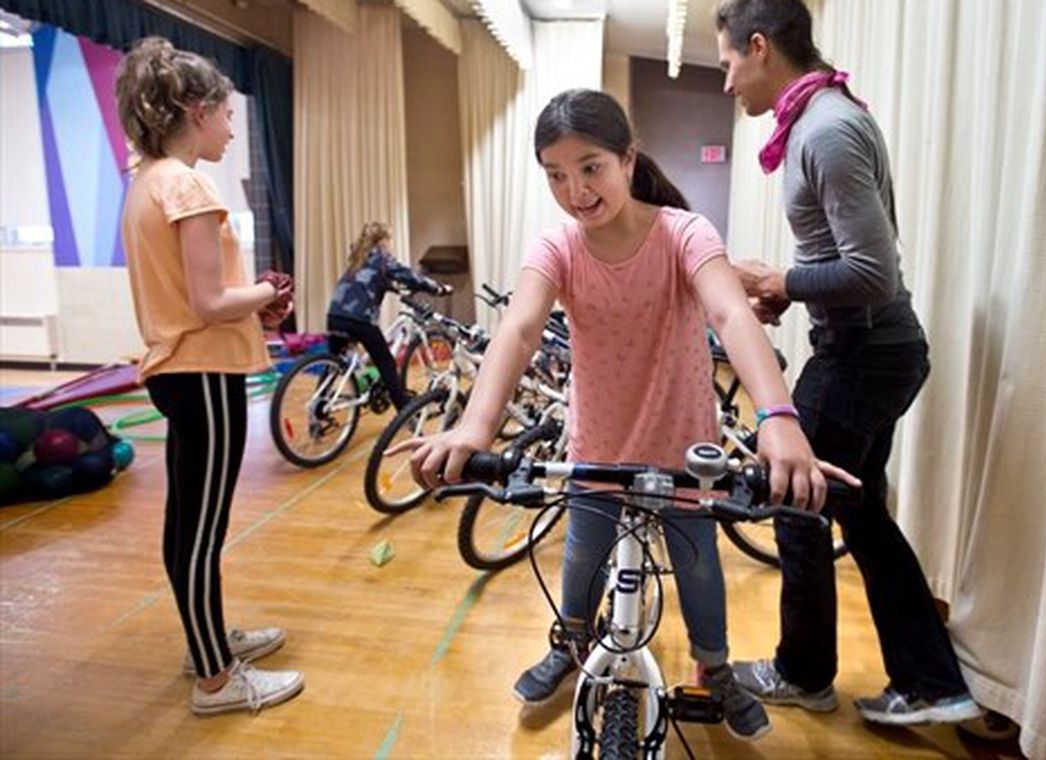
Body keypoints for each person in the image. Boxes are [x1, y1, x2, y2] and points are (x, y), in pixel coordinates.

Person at [403, 88, 857, 742]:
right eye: (555, 174)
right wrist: (475, 425)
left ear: (627, 158)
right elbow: (520, 330)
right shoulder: (557, 246)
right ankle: (569, 644)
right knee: (582, 557)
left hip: (683, 447)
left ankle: (716, 669)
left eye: (591, 167)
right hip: (598, 444)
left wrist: (778, 417)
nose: (575, 189)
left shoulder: (683, 233)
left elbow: (730, 313)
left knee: (699, 565)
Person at [714, 0, 983, 726]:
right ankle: (932, 682)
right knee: (858, 516)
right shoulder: (819, 119)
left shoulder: (826, 130)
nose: (728, 82)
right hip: (873, 349)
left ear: (761, 47)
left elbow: (873, 273)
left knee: (793, 498)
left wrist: (778, 282)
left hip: (864, 356)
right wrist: (792, 290)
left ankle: (804, 673)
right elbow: (849, 267)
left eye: (729, 63)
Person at [116, 37, 303, 715]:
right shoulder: (186, 183)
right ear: (197, 111)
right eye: (226, 114)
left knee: (188, 521)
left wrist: (250, 295)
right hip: (201, 369)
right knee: (201, 528)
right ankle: (217, 679)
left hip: (182, 371)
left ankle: (209, 645)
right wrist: (264, 290)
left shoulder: (146, 178)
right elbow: (210, 304)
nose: (231, 127)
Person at [325, 221, 446, 411]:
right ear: (382, 241)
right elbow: (409, 276)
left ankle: (320, 404)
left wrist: (391, 286)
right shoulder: (381, 258)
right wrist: (437, 288)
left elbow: (368, 283)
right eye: (389, 238)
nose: (391, 243)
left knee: (333, 364)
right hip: (359, 320)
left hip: (335, 316)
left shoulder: (358, 258)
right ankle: (405, 411)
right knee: (386, 363)